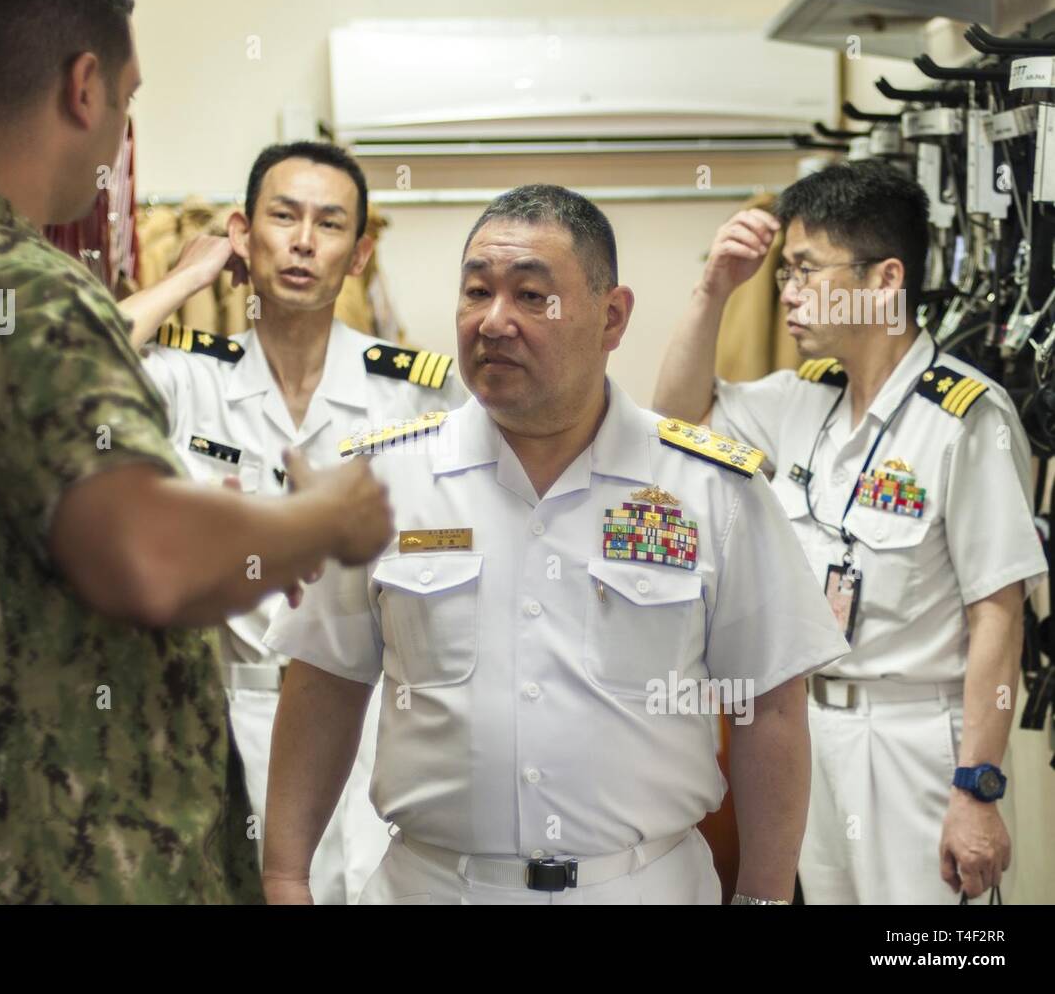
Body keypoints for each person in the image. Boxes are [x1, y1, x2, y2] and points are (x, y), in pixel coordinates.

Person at [0, 0, 391, 904]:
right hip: (32, 867)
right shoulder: (15, 288)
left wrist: (225, 542)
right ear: (84, 86)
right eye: (127, 102)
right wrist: (324, 520)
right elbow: (147, 556)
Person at [259, 184, 851, 906]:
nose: (494, 322)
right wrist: (285, 877)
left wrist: (763, 899)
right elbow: (325, 682)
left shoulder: (711, 489)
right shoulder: (379, 480)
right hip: (433, 887)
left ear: (612, 317)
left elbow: (773, 706)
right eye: (476, 292)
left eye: (533, 297)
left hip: (644, 886)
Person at [652, 160, 1046, 904]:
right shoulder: (804, 401)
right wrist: (713, 288)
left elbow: (998, 613)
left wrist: (978, 788)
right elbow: (676, 420)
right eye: (784, 273)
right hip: (810, 735)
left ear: (884, 280)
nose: (789, 292)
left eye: (805, 269)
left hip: (917, 745)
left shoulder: (965, 417)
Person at [136, 140, 468, 904]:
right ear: (242, 235)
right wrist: (188, 275)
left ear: (359, 255)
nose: (304, 241)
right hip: (229, 711)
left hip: (376, 716)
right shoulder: (192, 375)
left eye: (329, 224)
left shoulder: (413, 391)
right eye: (282, 217)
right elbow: (71, 361)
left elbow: (472, 526)